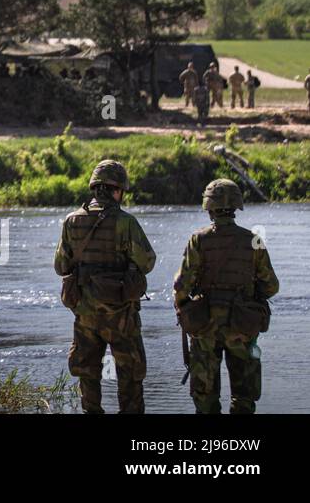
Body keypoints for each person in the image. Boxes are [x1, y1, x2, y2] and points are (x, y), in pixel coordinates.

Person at [54, 159, 156, 414]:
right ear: (117, 190)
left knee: (88, 374)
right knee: (130, 375)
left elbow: (60, 266)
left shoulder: (71, 221)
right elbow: (147, 261)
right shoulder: (125, 222)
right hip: (121, 313)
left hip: (85, 313)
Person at [173, 179, 278, 414]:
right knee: (244, 397)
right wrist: (250, 296)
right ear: (236, 207)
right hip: (242, 325)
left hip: (205, 326)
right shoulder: (254, 240)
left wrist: (184, 307)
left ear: (208, 207)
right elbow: (271, 286)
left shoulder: (198, 240)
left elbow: (181, 285)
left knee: (205, 398)